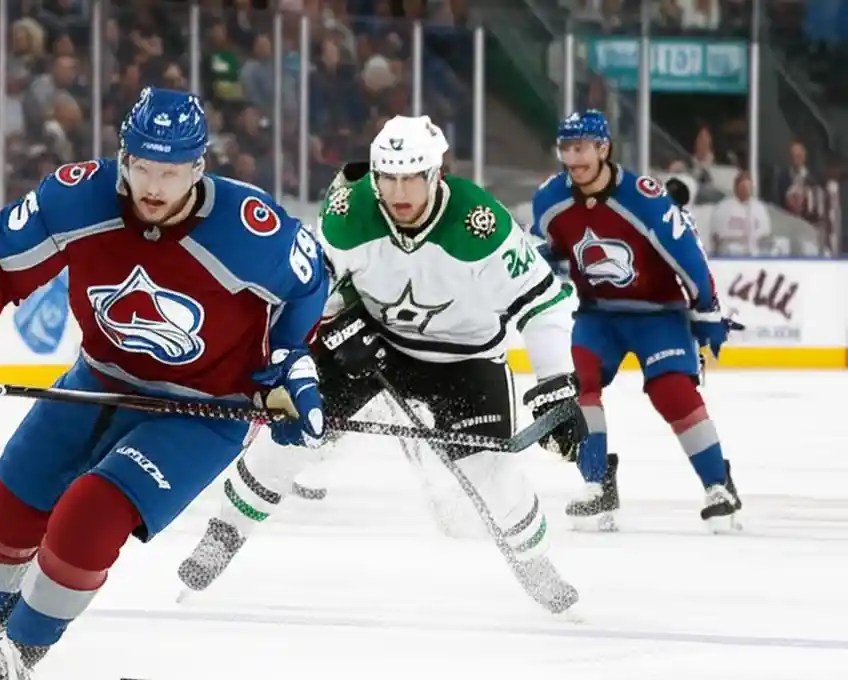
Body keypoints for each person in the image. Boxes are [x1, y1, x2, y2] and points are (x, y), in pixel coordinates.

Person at [0, 87, 329, 680]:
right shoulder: (80, 195)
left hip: (202, 410)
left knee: (89, 513)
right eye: (141, 166)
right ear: (123, 156)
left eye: (170, 172)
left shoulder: (252, 229)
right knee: (16, 493)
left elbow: (307, 289)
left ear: (199, 168)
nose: (152, 185)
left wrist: (288, 360)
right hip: (98, 378)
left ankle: (21, 647)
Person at [178, 115, 583, 614]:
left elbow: (542, 302)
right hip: (373, 339)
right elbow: (309, 292)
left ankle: (536, 563)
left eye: (412, 176)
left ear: (437, 173)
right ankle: (224, 533)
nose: (399, 191)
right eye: (387, 177)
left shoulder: (482, 225)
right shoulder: (350, 214)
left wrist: (557, 384)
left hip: (466, 358)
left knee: (492, 476)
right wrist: (334, 328)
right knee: (293, 432)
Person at [531, 110, 740, 533]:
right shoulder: (549, 199)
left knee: (673, 393)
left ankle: (719, 486)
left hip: (658, 316)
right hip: (598, 317)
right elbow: (546, 249)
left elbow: (688, 259)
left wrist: (707, 313)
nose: (573, 158)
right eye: (566, 148)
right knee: (580, 385)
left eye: (581, 147)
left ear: (603, 148)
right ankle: (597, 484)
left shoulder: (643, 196)